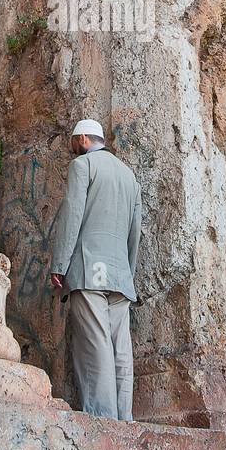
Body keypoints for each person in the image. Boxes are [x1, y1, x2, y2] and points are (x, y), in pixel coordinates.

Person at [49, 118, 142, 421]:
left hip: (90, 269)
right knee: (120, 351)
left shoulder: (83, 167)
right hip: (119, 276)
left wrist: (60, 264)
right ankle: (124, 418)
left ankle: (102, 418)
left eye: (74, 142)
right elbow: (134, 232)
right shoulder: (129, 177)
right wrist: (127, 272)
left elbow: (72, 216)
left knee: (95, 345)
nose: (73, 148)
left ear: (85, 140)